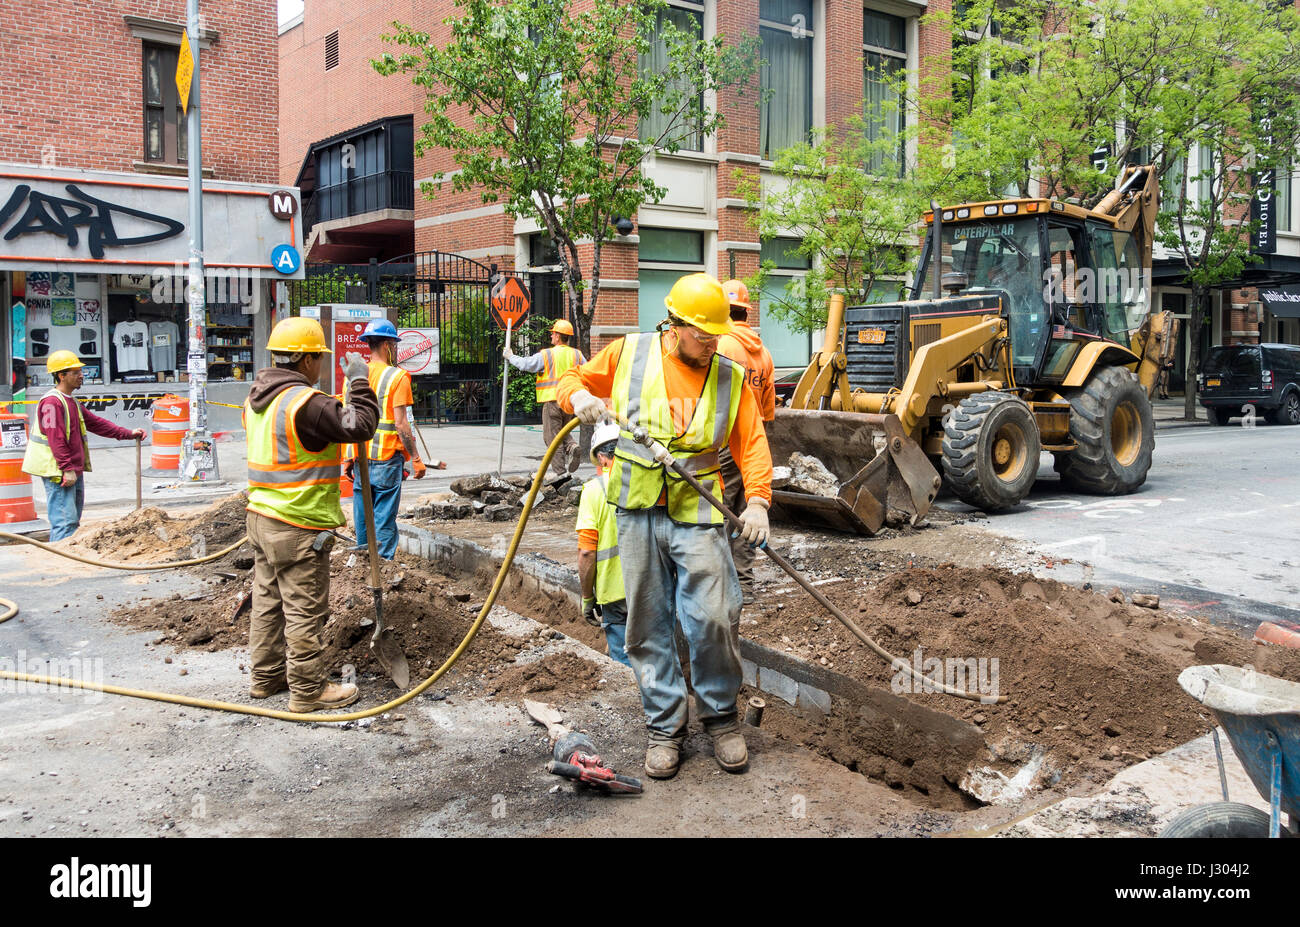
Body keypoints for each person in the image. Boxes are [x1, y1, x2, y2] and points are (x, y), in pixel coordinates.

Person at [557, 272, 773, 780]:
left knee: (714, 617)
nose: (713, 342)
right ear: (674, 326)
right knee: (647, 624)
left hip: (697, 513)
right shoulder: (628, 353)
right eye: (704, 333)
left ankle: (720, 718)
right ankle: (665, 727)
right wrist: (577, 399)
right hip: (636, 508)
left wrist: (759, 501)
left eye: (717, 334)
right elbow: (571, 380)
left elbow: (751, 441)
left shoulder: (729, 377)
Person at [244, 317, 379, 713]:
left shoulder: (257, 400)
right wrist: (358, 381)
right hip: (297, 523)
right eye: (318, 358)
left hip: (262, 517)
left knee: (267, 603)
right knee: (304, 608)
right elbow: (361, 425)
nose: (320, 365)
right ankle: (307, 691)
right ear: (305, 361)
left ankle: (265, 679)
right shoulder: (305, 402)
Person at [21, 350, 144, 541]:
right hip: (59, 472)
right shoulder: (52, 402)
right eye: (76, 372)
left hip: (72, 469)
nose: (81, 376)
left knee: (73, 521)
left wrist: (128, 433)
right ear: (62, 375)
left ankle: (67, 560)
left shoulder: (71, 401)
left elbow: (96, 423)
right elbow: (56, 438)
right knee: (65, 523)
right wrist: (66, 468)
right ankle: (62, 563)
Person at [343, 318, 435, 561]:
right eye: (393, 344)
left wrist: (347, 457)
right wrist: (416, 458)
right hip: (386, 460)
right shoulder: (398, 377)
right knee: (383, 517)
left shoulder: (352, 375)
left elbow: (347, 419)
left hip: (361, 458)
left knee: (363, 515)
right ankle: (382, 565)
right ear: (387, 345)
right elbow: (401, 423)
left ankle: (365, 563)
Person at [717, 280, 776, 605]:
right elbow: (766, 413)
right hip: (752, 442)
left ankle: (718, 582)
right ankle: (744, 583)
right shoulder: (763, 353)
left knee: (715, 511)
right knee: (746, 515)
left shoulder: (721, 345)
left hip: (723, 440)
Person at [576, 421, 630, 667]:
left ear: (602, 458)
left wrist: (587, 597)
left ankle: (633, 703)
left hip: (615, 593)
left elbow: (587, 552)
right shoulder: (650, 482)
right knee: (657, 652)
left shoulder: (594, 489)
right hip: (653, 586)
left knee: (624, 662)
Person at [504, 319, 587, 479]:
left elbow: (526, 364)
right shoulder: (577, 355)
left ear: (557, 336)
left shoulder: (547, 354)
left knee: (552, 438)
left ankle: (561, 474)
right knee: (561, 431)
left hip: (552, 401)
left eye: (552, 334)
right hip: (569, 402)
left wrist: (511, 356)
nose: (551, 337)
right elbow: (587, 371)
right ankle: (572, 446)